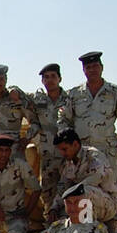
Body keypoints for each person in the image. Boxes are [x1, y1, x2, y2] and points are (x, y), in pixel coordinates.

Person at [63, 50, 117, 180]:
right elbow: (63, 119)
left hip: (107, 152)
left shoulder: (114, 92)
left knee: (110, 191)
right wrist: (67, 145)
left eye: (95, 66)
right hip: (81, 154)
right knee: (82, 193)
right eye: (88, 67)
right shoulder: (74, 94)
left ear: (101, 68)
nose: (92, 70)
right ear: (84, 70)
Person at [51, 127, 117, 233]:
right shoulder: (68, 163)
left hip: (108, 205)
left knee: (83, 192)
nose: (62, 153)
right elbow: (63, 188)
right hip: (84, 205)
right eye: (60, 150)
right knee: (64, 204)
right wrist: (54, 207)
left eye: (65, 149)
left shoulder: (94, 157)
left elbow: (93, 180)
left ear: (75, 144)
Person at [31, 63, 71, 209]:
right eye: (46, 77)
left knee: (69, 192)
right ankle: (50, 225)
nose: (49, 80)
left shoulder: (70, 100)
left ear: (60, 79)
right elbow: (18, 97)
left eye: (53, 76)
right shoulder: (38, 101)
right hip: (47, 157)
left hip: (67, 157)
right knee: (47, 194)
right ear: (42, 81)